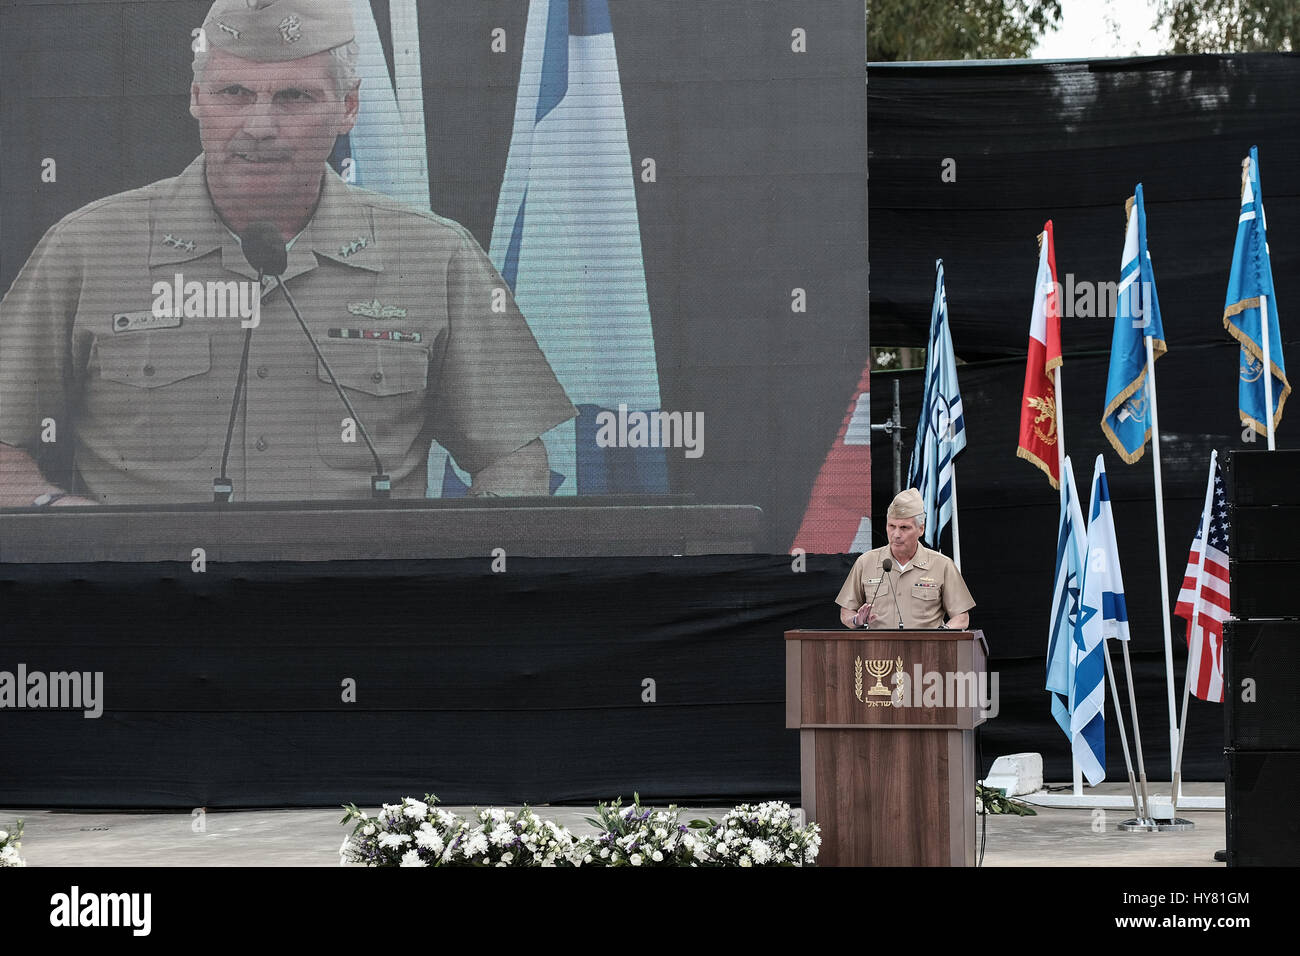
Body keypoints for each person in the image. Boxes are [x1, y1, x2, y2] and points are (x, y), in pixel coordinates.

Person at [0, 0, 576, 507]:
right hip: (150, 611)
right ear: (197, 98)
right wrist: (59, 516)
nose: (258, 125)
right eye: (234, 94)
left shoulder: (432, 257)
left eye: (294, 97)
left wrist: (453, 571)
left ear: (348, 107)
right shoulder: (89, 249)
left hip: (357, 612)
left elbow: (516, 459)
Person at [835, 488, 975, 630]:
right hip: (877, 650)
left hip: (927, 650)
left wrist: (941, 634)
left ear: (921, 529)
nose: (896, 534)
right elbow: (846, 611)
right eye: (891, 526)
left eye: (904, 527)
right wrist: (856, 621)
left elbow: (961, 617)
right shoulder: (865, 562)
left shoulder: (942, 565)